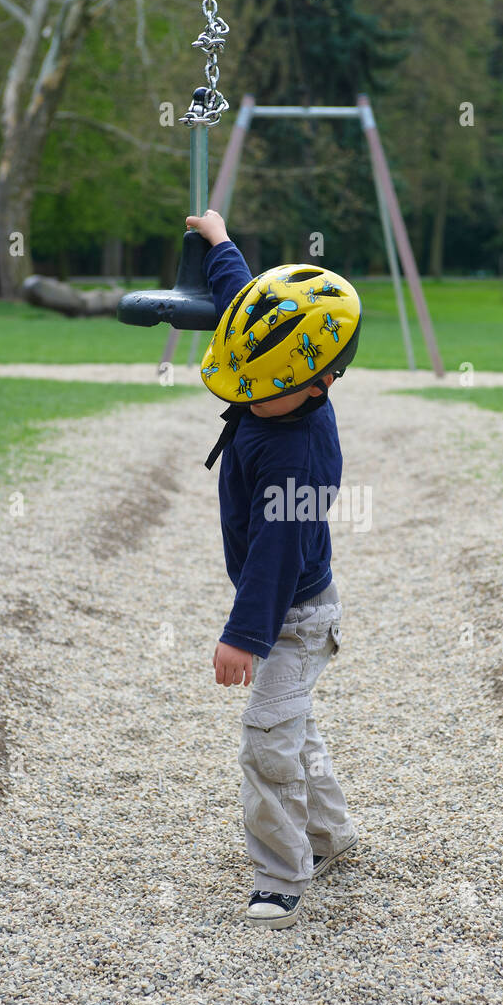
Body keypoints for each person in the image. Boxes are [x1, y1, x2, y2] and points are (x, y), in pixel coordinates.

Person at [186, 209, 361, 929]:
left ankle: (279, 874)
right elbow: (243, 305)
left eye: (266, 383)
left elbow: (275, 557)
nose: (247, 389)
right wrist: (220, 241)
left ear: (315, 384)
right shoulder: (274, 372)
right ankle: (330, 837)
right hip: (289, 610)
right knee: (296, 730)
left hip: (293, 618)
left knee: (266, 742)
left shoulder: (297, 454)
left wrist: (245, 637)